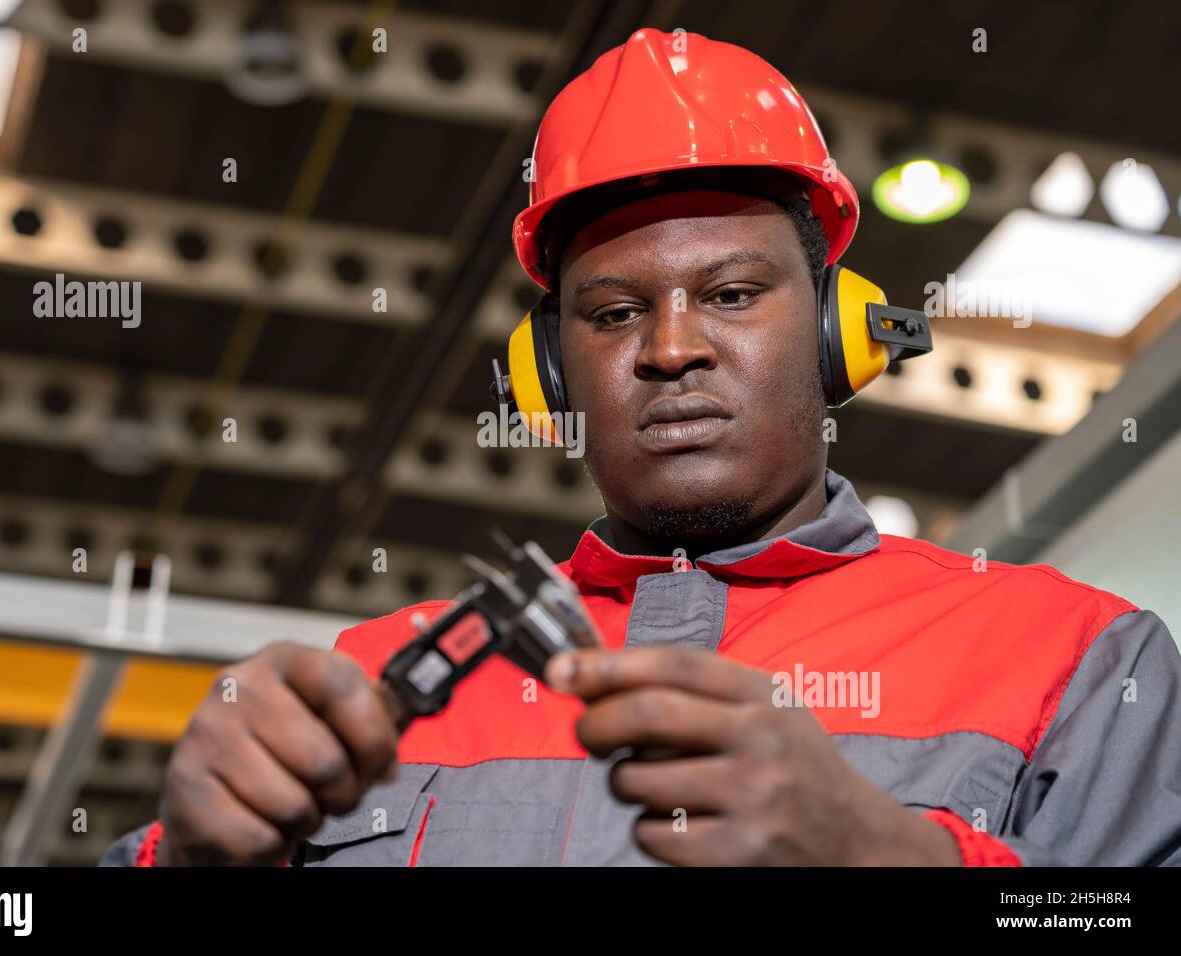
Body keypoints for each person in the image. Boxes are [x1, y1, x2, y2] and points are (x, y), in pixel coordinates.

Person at [101, 28, 1181, 867]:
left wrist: (890, 851)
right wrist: (188, 856)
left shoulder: (1075, 660)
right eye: (613, 313)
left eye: (730, 293)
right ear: (549, 374)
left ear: (834, 332)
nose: (670, 348)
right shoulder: (365, 687)